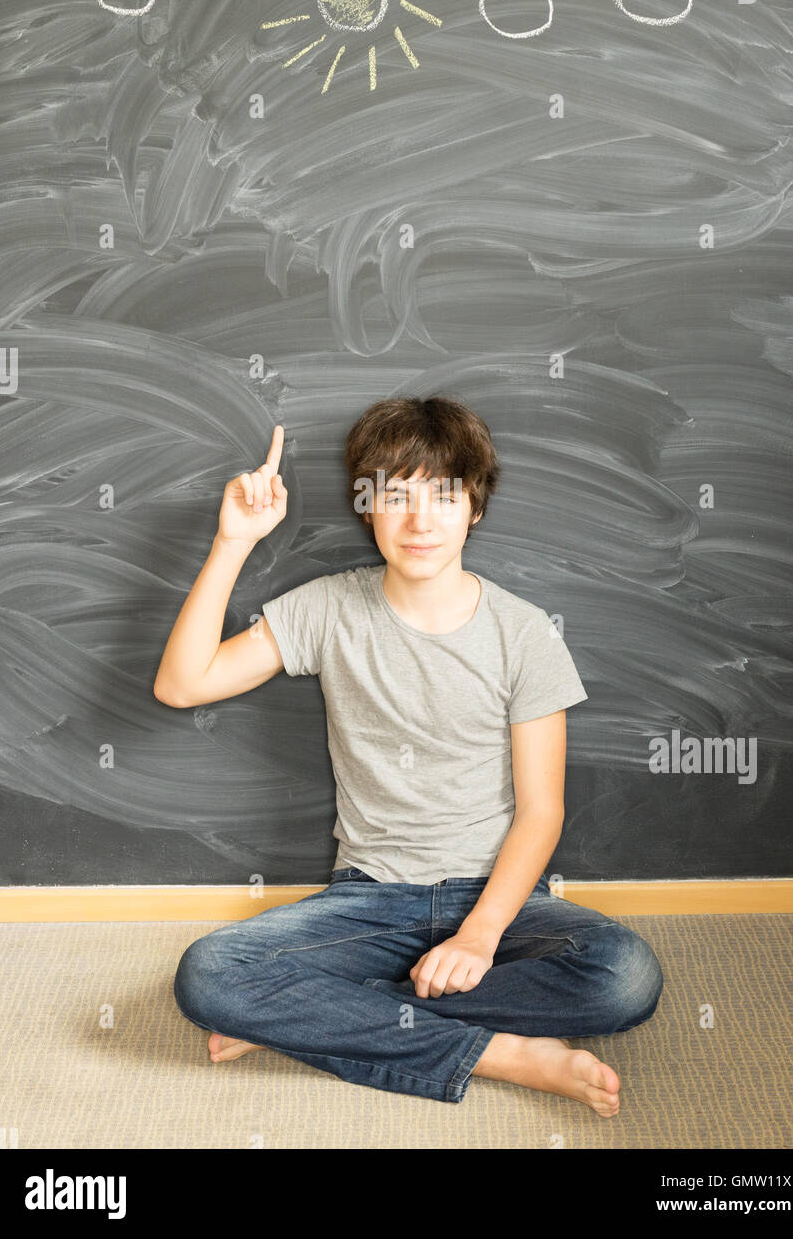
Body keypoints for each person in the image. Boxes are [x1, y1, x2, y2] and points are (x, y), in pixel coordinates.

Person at [155, 396, 663, 1111]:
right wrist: (233, 541)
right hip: (369, 899)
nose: (420, 521)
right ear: (367, 509)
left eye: (444, 496)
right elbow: (182, 685)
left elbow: (541, 812)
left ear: (474, 508)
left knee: (625, 976)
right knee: (210, 975)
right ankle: (501, 1054)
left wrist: (480, 936)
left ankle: (316, 1018)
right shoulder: (327, 608)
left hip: (498, 899)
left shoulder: (525, 633)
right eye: (396, 497)